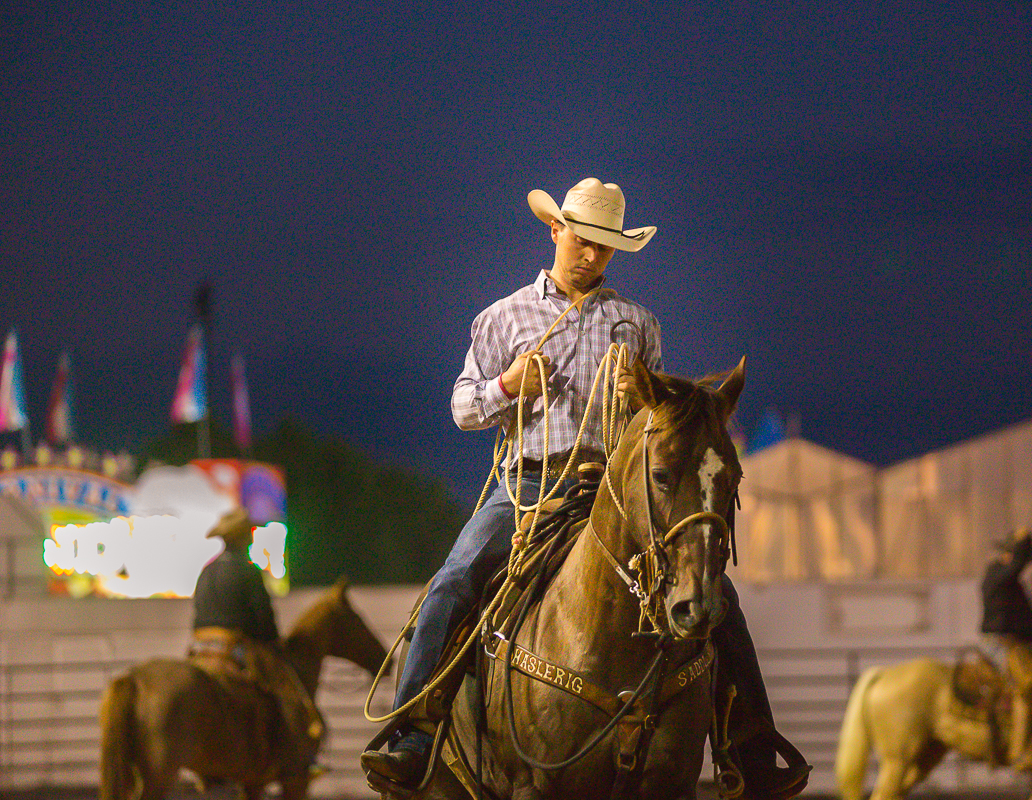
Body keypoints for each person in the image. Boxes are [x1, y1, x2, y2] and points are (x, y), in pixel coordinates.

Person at [362, 178, 805, 798]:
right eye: (584, 240)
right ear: (555, 232)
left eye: (605, 246)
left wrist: (639, 401)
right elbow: (463, 408)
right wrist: (510, 385)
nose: (593, 255)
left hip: (615, 486)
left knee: (715, 592)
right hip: (528, 484)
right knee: (457, 578)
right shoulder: (503, 317)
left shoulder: (638, 324)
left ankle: (750, 742)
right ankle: (411, 733)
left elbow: (659, 428)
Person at [192, 507, 324, 769]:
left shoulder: (206, 571)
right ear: (242, 537)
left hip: (200, 647)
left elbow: (198, 612)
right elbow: (262, 616)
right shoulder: (247, 570)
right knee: (285, 689)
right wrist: (274, 643)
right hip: (236, 646)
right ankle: (294, 757)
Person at [980, 528, 1032, 771]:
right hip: (999, 643)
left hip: (1017, 645)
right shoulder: (997, 574)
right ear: (1011, 555)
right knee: (1027, 684)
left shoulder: (1011, 583)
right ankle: (1019, 752)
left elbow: (1027, 619)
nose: (1025, 566)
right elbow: (1014, 568)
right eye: (1022, 559)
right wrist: (1024, 541)